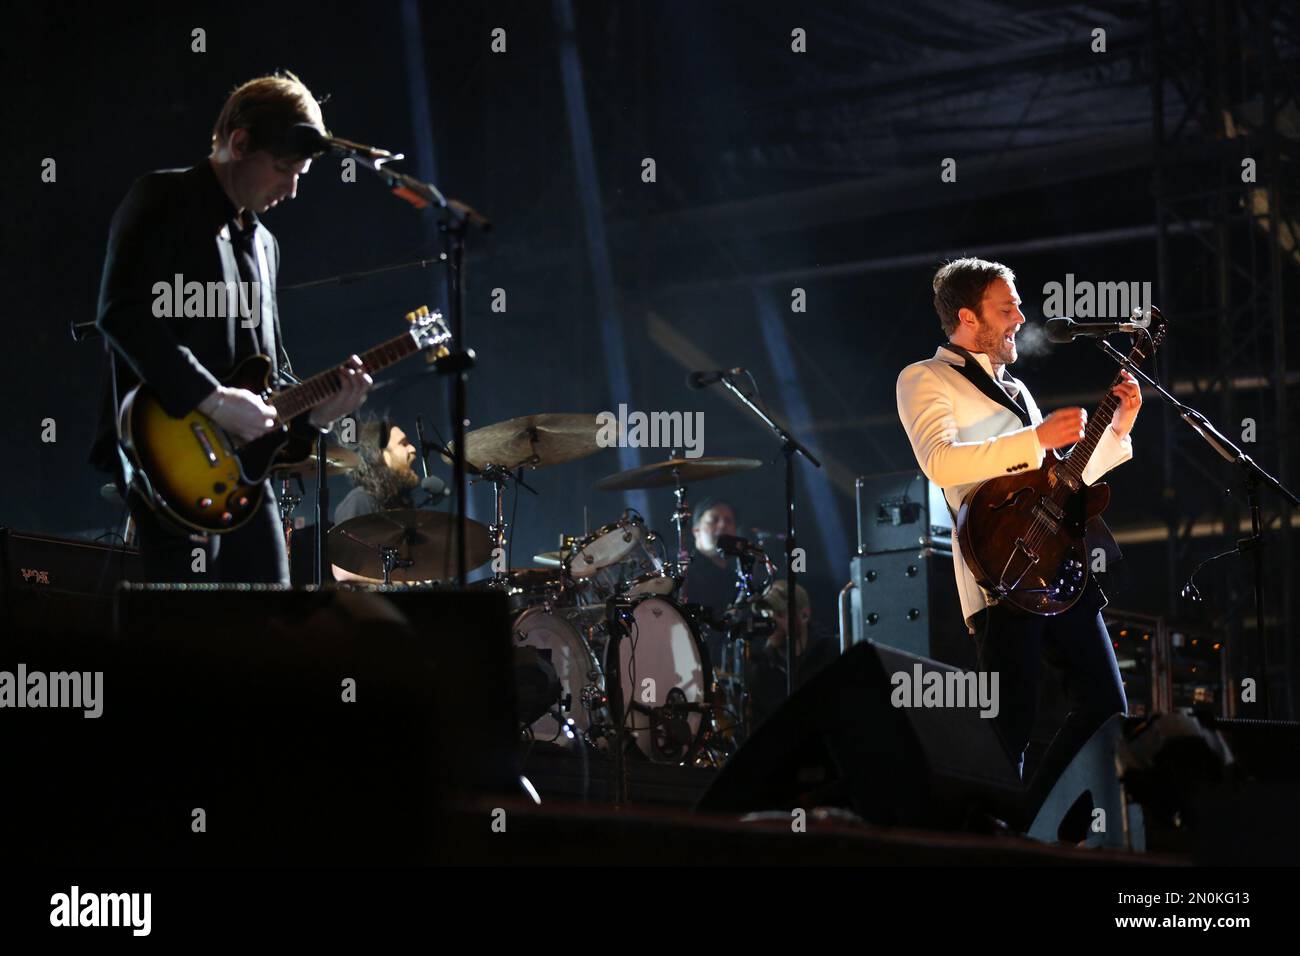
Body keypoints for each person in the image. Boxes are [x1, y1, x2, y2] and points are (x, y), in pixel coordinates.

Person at [90, 70, 371, 584]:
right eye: (284, 168)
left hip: (241, 475)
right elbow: (122, 312)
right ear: (239, 144)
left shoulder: (265, 247)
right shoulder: (160, 199)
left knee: (270, 621)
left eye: (301, 174)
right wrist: (214, 400)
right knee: (191, 634)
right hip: (168, 461)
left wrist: (317, 419)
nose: (291, 189)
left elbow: (264, 386)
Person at [895, 257, 1143, 797]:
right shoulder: (923, 377)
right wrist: (1036, 439)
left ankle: (1037, 819)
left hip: (1057, 567)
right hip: (999, 570)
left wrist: (1118, 429)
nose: (1019, 317)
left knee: (1105, 706)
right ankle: (1001, 836)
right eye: (1006, 308)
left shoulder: (1019, 390)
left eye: (1018, 306)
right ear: (967, 317)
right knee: (1011, 727)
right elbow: (940, 461)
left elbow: (1057, 479)